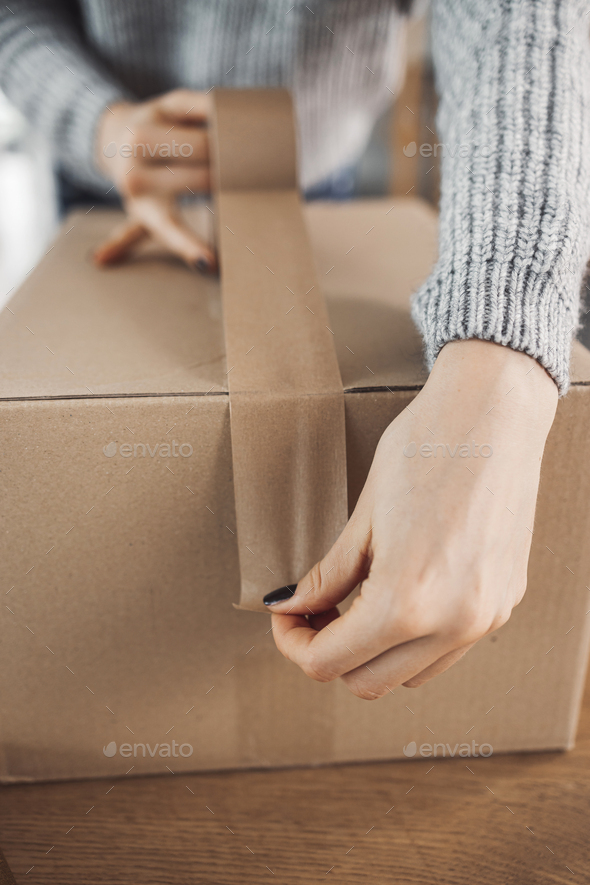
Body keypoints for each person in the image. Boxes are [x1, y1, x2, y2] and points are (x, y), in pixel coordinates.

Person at [1, 1, 588, 700]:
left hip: (315, 177)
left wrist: (500, 375)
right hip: (113, 161)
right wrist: (98, 124)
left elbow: (516, 17)